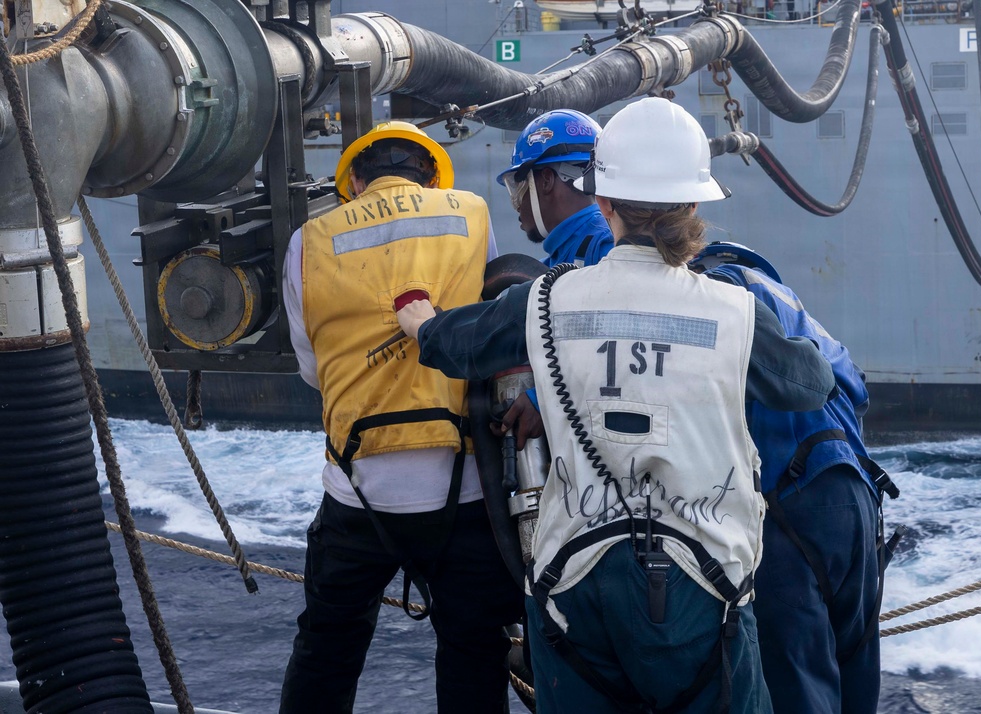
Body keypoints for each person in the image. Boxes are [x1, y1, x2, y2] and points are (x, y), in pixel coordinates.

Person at [397, 97, 839, 713]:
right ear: (691, 207)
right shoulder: (732, 311)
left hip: (571, 586)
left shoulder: (546, 299)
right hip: (699, 587)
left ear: (603, 203)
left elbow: (455, 344)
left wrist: (418, 322)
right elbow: (810, 385)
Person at [279, 120, 524, 713]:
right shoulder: (470, 214)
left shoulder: (308, 240)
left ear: (355, 180)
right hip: (460, 487)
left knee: (328, 647)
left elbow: (314, 372)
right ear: (430, 173)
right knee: (472, 653)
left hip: (357, 489)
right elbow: (483, 336)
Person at [691, 241, 893, 714]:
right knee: (855, 683)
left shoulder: (716, 297)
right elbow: (856, 388)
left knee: (798, 689)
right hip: (857, 500)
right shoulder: (791, 304)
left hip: (787, 511)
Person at [497, 109, 613, 267]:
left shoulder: (606, 246)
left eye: (521, 187)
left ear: (546, 180)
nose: (518, 206)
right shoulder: (554, 260)